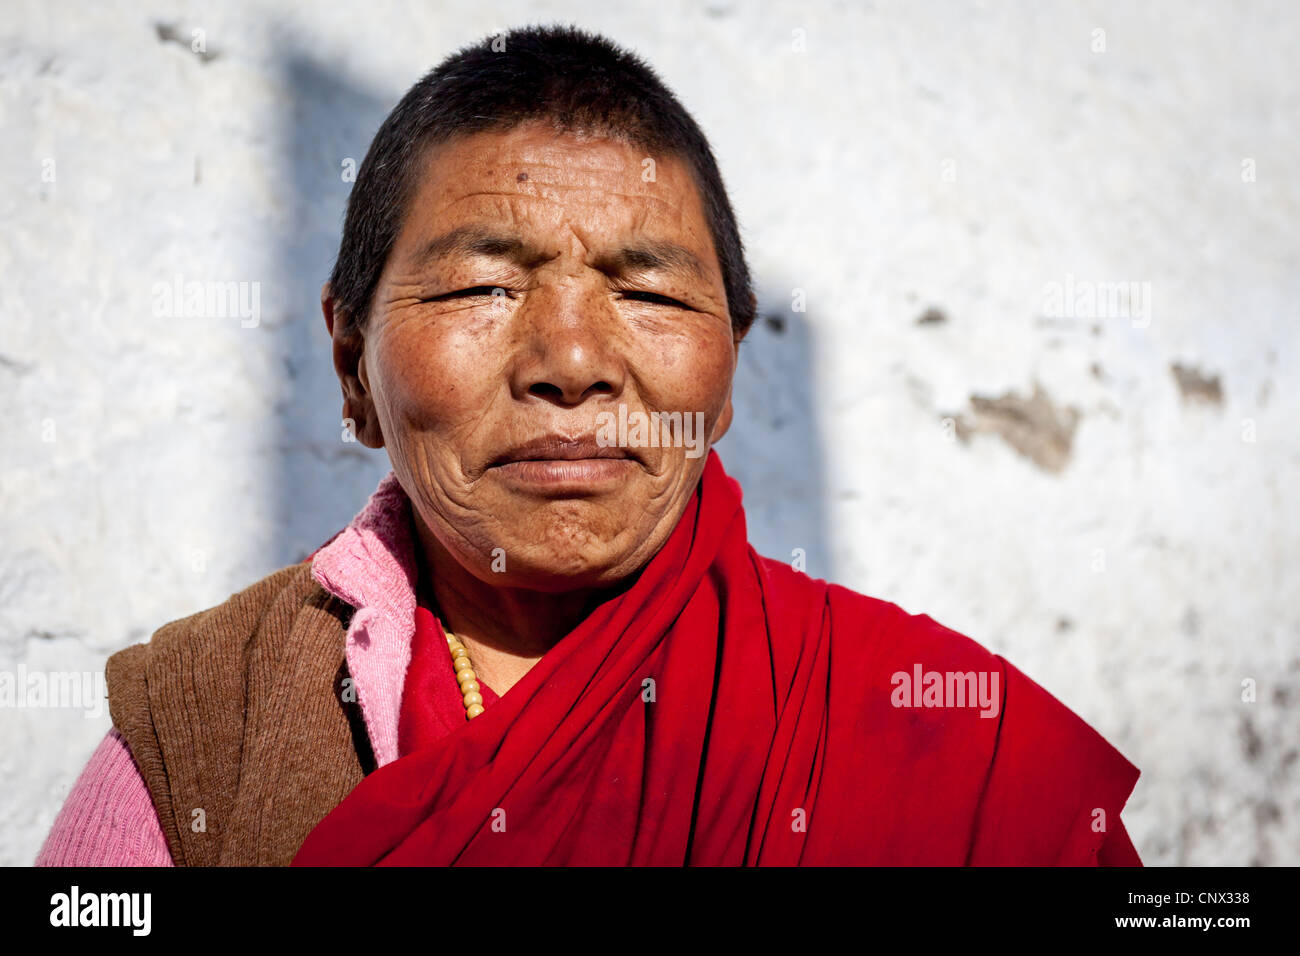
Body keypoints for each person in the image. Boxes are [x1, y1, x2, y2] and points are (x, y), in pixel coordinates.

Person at [37, 24, 1140, 867]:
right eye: (480, 283)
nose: (571, 358)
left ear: (726, 377)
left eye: (648, 288)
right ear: (348, 365)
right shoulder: (207, 732)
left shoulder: (927, 725)